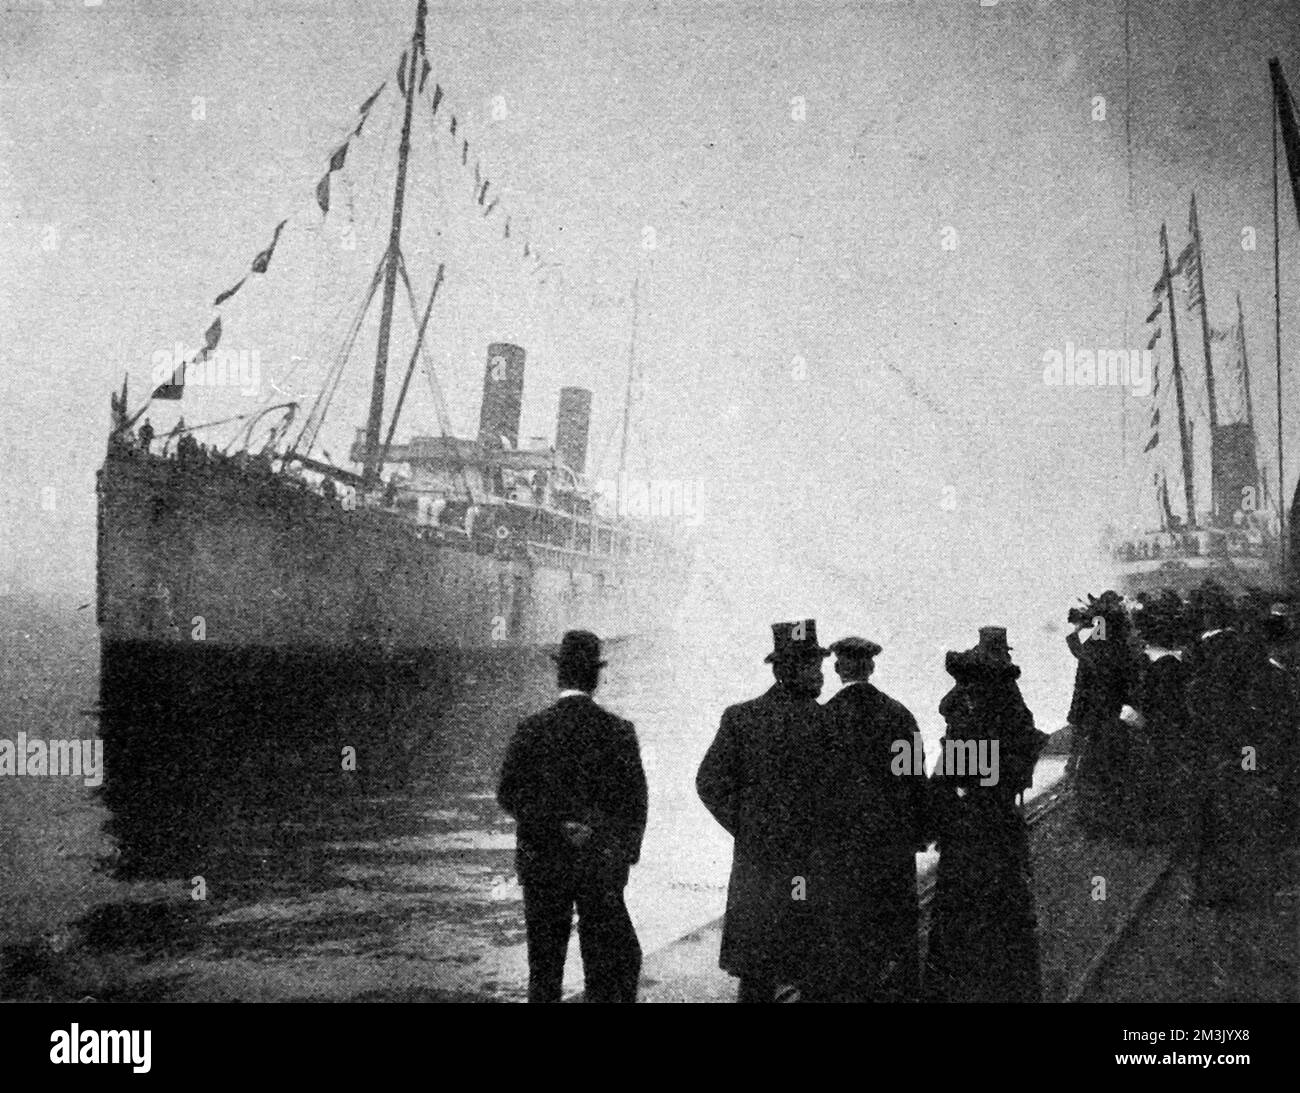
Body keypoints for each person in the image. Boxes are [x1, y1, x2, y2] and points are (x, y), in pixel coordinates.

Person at [497, 630, 647, 1002]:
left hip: (543, 864)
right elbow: (635, 804)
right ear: (595, 677)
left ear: (560, 675)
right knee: (604, 970)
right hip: (600, 867)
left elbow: (509, 795)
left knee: (545, 971)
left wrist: (555, 826)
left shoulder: (531, 729)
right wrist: (615, 850)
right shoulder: (619, 732)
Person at [696, 619, 827, 1003]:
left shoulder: (742, 718)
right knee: (811, 966)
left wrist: (748, 827)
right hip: (807, 870)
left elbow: (709, 784)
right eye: (813, 665)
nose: (821, 674)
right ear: (790, 670)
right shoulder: (828, 723)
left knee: (757, 969)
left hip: (759, 869)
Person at [924, 640, 1045, 1002]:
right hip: (1004, 831)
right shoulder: (1012, 722)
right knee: (1010, 923)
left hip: (970, 838)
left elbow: (945, 783)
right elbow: (1018, 770)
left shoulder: (969, 728)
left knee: (962, 924)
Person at [811, 635, 927, 1002]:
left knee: (848, 936)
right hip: (891, 844)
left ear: (838, 669)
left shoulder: (822, 719)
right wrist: (919, 832)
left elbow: (815, 788)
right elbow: (914, 780)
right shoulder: (898, 714)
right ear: (871, 667)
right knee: (899, 930)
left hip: (842, 849)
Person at [1065, 592, 1139, 839]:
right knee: (1113, 767)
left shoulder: (1099, 646)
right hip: (1113, 712)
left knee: (1095, 768)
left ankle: (1099, 821)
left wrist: (1076, 633)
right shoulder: (1120, 644)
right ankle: (1115, 817)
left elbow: (1088, 666)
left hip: (1098, 713)